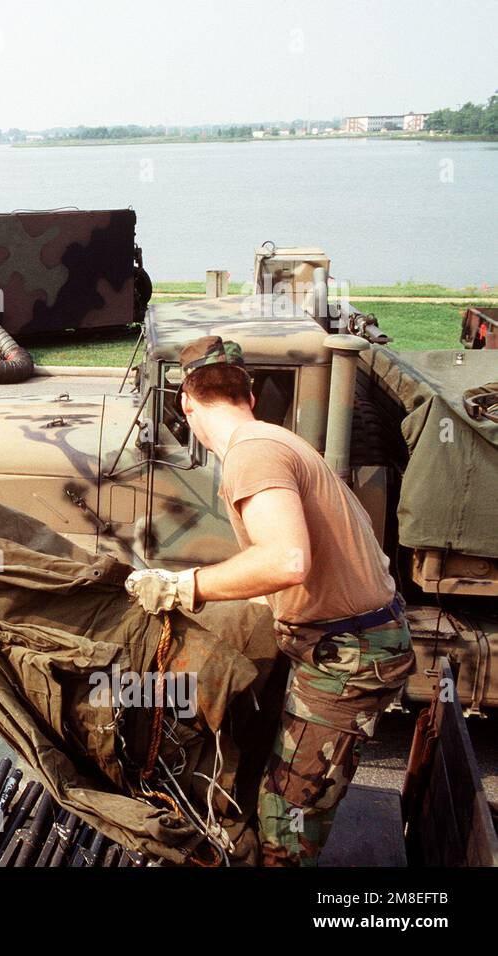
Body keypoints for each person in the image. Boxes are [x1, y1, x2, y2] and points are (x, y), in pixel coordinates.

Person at [124, 336, 415, 866]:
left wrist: (180, 585)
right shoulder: (275, 440)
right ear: (250, 394)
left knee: (286, 827)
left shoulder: (252, 455)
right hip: (343, 643)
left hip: (345, 658)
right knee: (271, 783)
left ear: (184, 403)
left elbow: (285, 561)